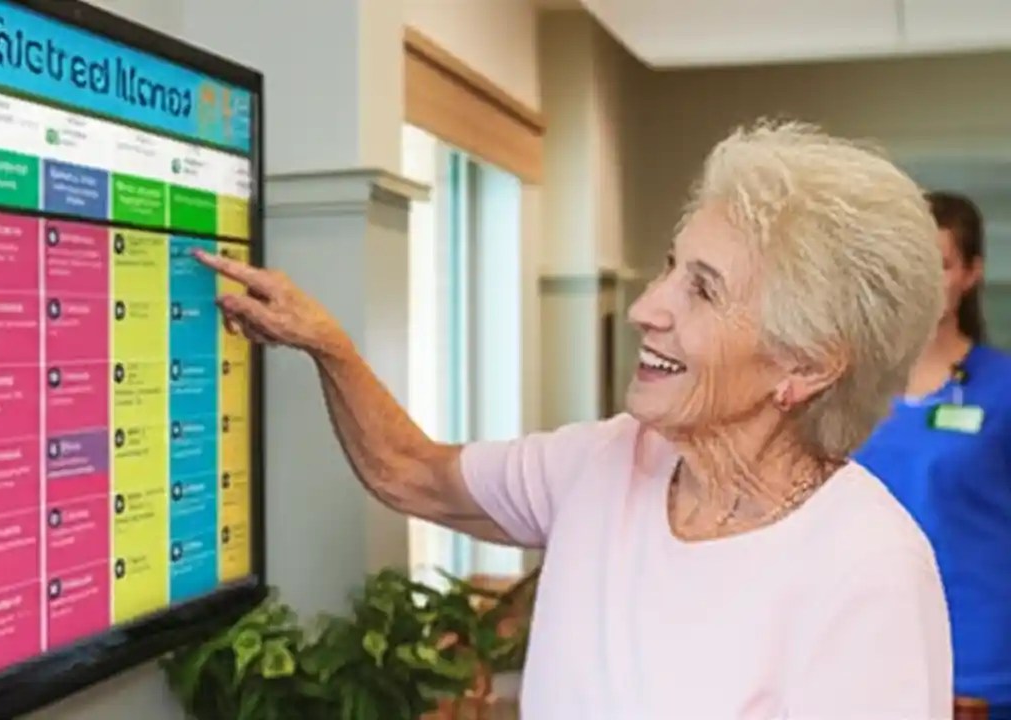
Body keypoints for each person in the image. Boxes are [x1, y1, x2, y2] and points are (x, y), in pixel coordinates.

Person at [195, 119, 954, 719]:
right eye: (669, 267)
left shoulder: (869, 568)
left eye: (703, 290)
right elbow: (411, 472)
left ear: (806, 365)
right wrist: (328, 346)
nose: (646, 308)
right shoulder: (606, 461)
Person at [856, 191, 1011, 719]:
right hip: (870, 652)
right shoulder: (851, 390)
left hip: (978, 665)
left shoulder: (1001, 389)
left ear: (970, 274)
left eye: (939, 264)